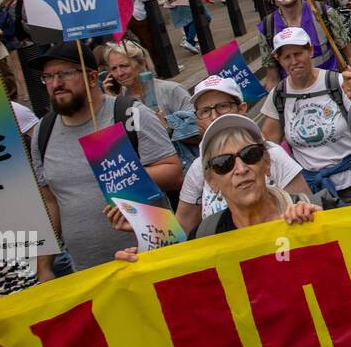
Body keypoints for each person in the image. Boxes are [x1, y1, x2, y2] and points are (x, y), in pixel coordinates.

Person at [30, 42, 182, 271]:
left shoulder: (131, 114)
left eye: (66, 74)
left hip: (152, 258)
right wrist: (44, 267)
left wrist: (122, 173)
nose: (56, 83)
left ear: (93, 78)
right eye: (48, 77)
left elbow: (173, 172)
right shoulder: (43, 131)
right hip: (87, 271)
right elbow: (50, 202)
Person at [113, 115, 318, 258]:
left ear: (266, 163)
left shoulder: (312, 209)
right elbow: (180, 275)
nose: (240, 168)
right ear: (211, 181)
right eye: (223, 164)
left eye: (250, 155)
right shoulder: (206, 235)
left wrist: (320, 223)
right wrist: (141, 262)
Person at [174, 75, 313, 231]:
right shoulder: (197, 169)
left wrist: (305, 212)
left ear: (242, 109)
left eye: (250, 155)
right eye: (222, 164)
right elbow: (181, 231)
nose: (214, 116)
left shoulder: (273, 154)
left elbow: (306, 204)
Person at [259, 26, 351, 205]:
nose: (294, 61)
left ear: (311, 51)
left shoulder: (337, 83)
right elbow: (267, 145)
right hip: (314, 194)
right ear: (278, 59)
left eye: (298, 53)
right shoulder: (279, 95)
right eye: (286, 57)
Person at [256, 0, 351, 89]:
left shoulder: (324, 14)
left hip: (333, 92)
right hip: (295, 102)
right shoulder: (267, 28)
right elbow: (272, 78)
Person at [97, 38, 192, 124]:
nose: (119, 73)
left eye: (124, 66)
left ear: (142, 63)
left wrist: (167, 125)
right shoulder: (120, 102)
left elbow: (197, 129)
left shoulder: (171, 90)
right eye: (113, 68)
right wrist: (112, 104)